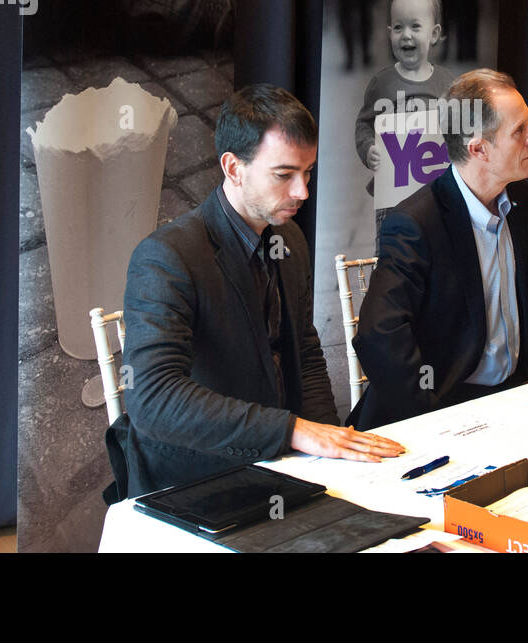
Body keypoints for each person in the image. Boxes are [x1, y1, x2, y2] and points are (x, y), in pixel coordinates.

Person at [108, 85, 403, 500]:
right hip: (195, 481)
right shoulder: (166, 256)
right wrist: (294, 431)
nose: (302, 191)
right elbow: (153, 397)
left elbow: (304, 352)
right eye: (284, 175)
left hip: (277, 468)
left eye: (309, 172)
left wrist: (332, 453)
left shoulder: (290, 240)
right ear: (233, 168)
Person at [348, 69, 528, 431]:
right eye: (519, 130)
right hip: (445, 409)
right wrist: (435, 415)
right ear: (478, 148)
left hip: (518, 399)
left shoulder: (523, 200)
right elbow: (380, 334)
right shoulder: (415, 223)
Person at [354, 0, 455, 244]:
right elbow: (364, 125)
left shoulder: (447, 83)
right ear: (389, 33)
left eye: (415, 26)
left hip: (435, 189)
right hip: (392, 191)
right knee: (391, 246)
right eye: (398, 27)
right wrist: (368, 149)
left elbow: (457, 128)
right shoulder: (382, 83)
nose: (406, 35)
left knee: (438, 244)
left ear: (433, 34)